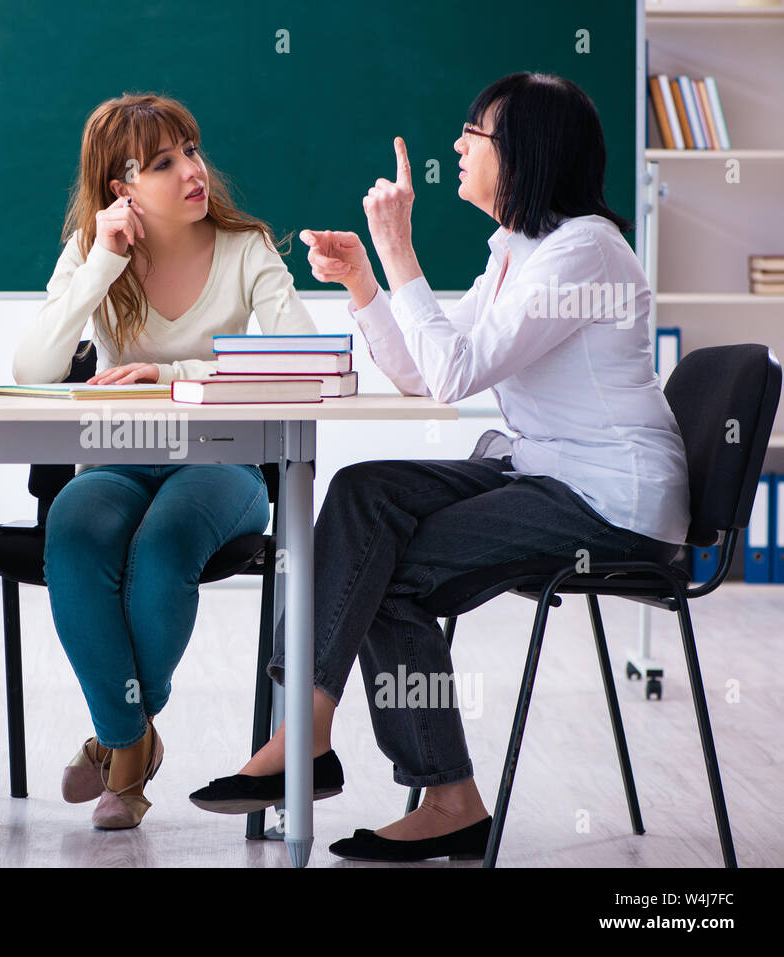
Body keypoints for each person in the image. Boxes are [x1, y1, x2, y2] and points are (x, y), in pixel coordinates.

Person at [190, 72, 690, 861]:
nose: (456, 146)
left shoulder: (585, 253)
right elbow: (426, 376)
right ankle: (313, 732)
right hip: (545, 470)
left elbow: (454, 377)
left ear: (525, 153)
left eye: (474, 134)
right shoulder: (516, 251)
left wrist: (399, 251)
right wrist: (365, 281)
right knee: (364, 494)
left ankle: (438, 791)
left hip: (609, 498)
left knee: (381, 567)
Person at [13, 93, 321, 829]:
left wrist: (175, 376)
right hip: (118, 462)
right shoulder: (98, 251)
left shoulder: (247, 250)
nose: (193, 171)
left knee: (164, 546)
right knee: (73, 534)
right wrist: (97, 266)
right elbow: (30, 367)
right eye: (164, 162)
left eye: (191, 150)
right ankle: (132, 742)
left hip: (227, 469)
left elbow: (305, 365)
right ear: (122, 189)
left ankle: (117, 744)